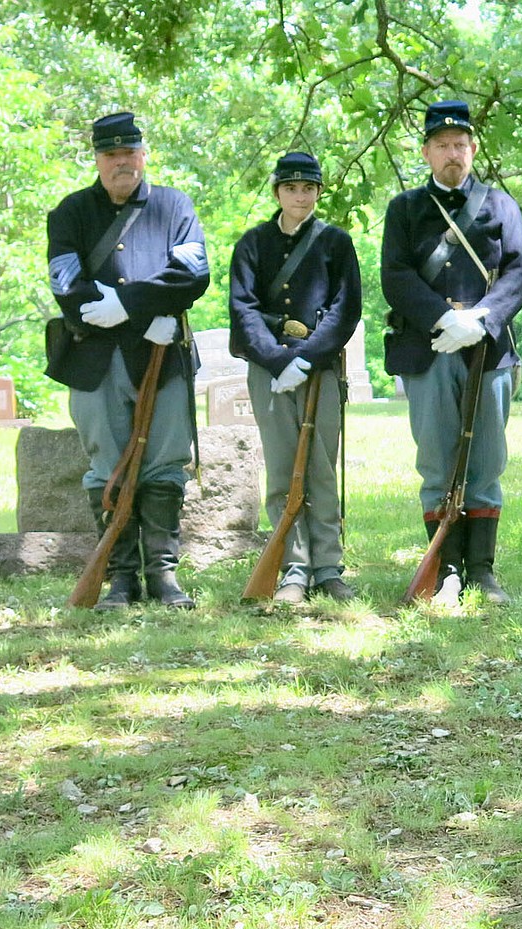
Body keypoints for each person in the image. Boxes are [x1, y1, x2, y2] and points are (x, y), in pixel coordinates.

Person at [47, 111, 210, 609]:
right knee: (107, 468)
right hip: (95, 358)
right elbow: (66, 284)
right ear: (98, 160)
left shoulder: (174, 206)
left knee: (164, 465)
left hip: (163, 354)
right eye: (111, 154)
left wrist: (129, 303)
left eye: (130, 153)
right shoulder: (70, 213)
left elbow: (192, 275)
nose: (122, 162)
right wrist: (135, 310)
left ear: (144, 155)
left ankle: (163, 577)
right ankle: (121, 578)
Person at [381, 99, 522, 604]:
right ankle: (444, 570)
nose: (453, 153)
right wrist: (444, 319)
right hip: (428, 346)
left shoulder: (500, 205)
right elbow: (395, 276)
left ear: (473, 149)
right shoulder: (404, 210)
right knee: (437, 459)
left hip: (487, 349)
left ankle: (482, 572)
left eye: (461, 145)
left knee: (486, 459)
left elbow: (518, 273)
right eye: (442, 145)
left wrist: (480, 321)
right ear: (426, 151)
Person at [229, 152, 363, 604]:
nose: (300, 196)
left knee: (321, 466)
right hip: (269, 369)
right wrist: (275, 360)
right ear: (277, 192)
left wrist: (306, 357)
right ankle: (292, 566)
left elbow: (347, 307)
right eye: (291, 189)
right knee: (284, 467)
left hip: (319, 367)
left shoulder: (335, 243)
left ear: (318, 193)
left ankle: (328, 566)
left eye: (308, 189)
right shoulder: (252, 243)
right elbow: (242, 308)